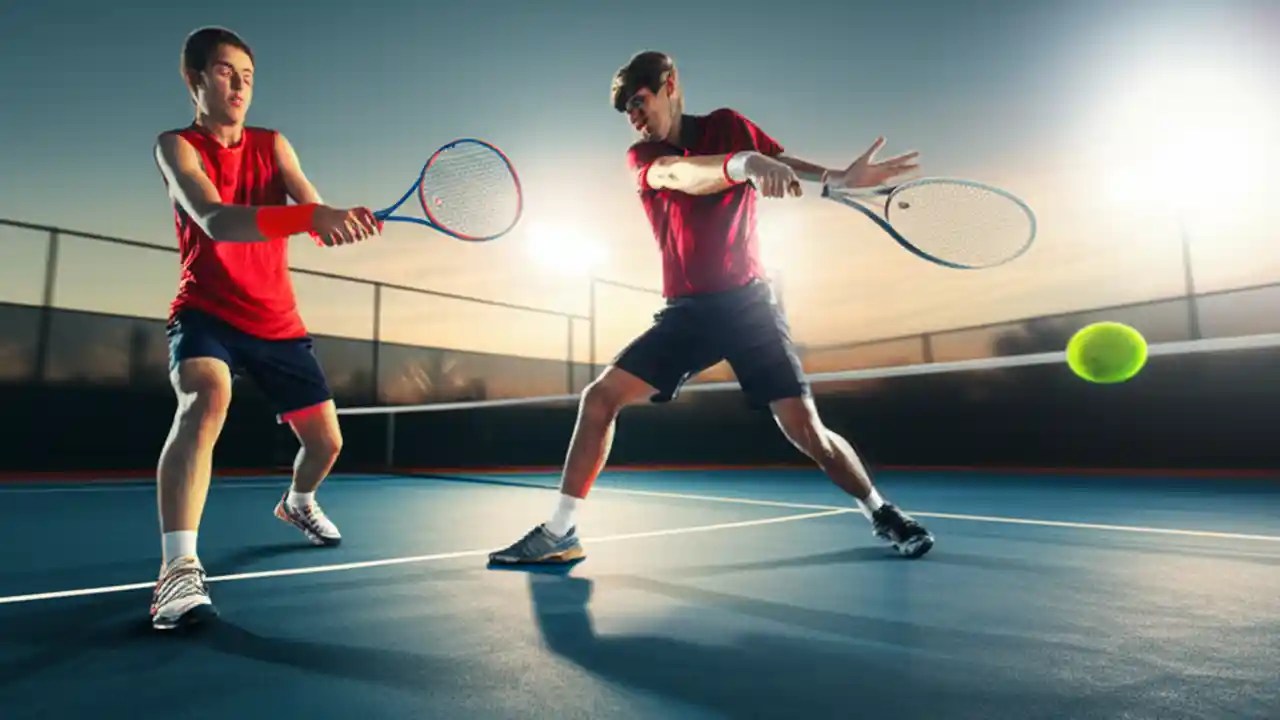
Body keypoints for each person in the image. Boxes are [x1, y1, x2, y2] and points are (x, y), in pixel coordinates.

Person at [489, 50, 934, 566]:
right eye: (627, 112)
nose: (634, 117)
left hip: (750, 306)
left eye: (639, 101)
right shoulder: (643, 159)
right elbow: (685, 176)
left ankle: (881, 512)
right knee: (600, 397)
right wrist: (744, 164)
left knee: (806, 431)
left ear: (670, 84)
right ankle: (560, 533)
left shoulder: (728, 124)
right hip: (688, 315)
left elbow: (777, 161)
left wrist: (832, 177)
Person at [149, 26, 380, 630]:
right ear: (195, 79)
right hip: (206, 311)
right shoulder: (177, 146)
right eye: (226, 73)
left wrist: (330, 221)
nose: (239, 86)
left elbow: (309, 204)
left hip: (276, 319)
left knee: (327, 444)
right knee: (207, 397)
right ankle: (177, 572)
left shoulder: (274, 144)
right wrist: (311, 216)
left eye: (247, 77)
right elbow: (216, 219)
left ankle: (298, 503)